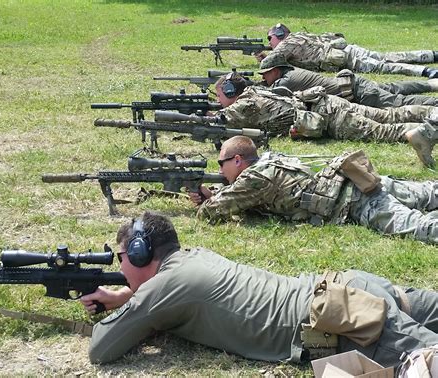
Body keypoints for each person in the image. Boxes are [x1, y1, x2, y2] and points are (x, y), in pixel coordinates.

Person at [81, 211, 438, 368]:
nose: (121, 267)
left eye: (122, 257)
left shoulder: (164, 288)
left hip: (341, 318)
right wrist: (130, 297)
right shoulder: (193, 258)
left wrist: (131, 303)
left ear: (142, 254)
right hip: (349, 286)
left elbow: (101, 348)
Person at [189, 136, 437, 244]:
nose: (220, 170)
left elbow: (210, 214)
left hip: (358, 202)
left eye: (222, 164)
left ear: (238, 160)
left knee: (422, 228)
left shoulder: (254, 179)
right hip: (362, 178)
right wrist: (214, 193)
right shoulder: (268, 161)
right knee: (429, 192)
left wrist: (206, 201)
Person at [214, 73, 438, 167]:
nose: (218, 100)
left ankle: (427, 132)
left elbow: (217, 123)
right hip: (327, 102)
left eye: (220, 95)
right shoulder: (253, 91)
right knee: (389, 115)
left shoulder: (243, 105)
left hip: (332, 118)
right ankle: (432, 113)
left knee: (383, 131)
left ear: (231, 92)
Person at [258, 53, 438, 108]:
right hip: (354, 85)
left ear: (275, 70)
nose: (263, 77)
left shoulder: (287, 81)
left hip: (358, 92)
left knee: (399, 102)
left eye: (265, 73)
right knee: (393, 87)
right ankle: (430, 84)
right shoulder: (291, 72)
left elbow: (269, 95)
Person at [263, 23, 438, 78]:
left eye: (270, 38)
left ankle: (426, 70)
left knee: (385, 66)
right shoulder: (299, 35)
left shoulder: (285, 45)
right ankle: (431, 55)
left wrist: (262, 57)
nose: (270, 42)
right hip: (348, 48)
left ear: (278, 35)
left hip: (347, 58)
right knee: (389, 56)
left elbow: (269, 64)